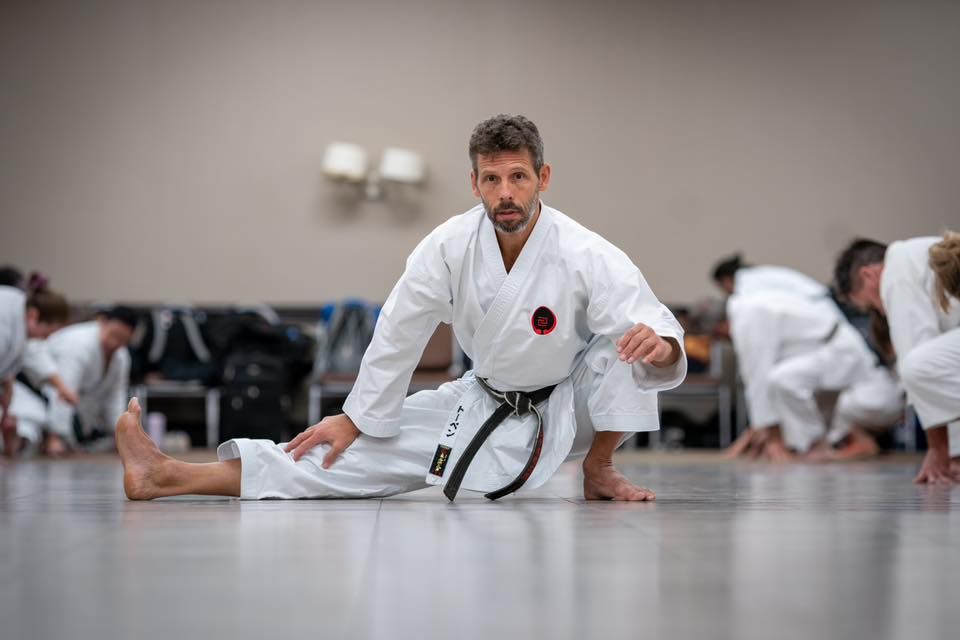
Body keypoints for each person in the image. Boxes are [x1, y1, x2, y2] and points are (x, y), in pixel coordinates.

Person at [116, 114, 687, 501]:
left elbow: (653, 324)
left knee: (632, 341)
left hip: (569, 404)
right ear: (474, 183)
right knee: (350, 454)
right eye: (492, 179)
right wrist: (358, 415)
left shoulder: (584, 251)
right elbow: (398, 332)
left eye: (518, 177)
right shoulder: (447, 246)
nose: (506, 193)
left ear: (543, 178)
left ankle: (600, 468)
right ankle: (167, 474)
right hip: (481, 398)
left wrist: (660, 348)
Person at [712, 258, 900, 461]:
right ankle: (827, 444)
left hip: (841, 356)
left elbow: (756, 373)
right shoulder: (759, 293)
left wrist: (769, 432)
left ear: (722, 325)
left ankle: (815, 445)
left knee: (783, 380)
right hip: (832, 349)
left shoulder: (748, 310)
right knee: (791, 389)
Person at [834, 232, 960, 484]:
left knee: (916, 365)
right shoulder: (919, 254)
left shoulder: (897, 268)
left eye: (871, 307)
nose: (880, 312)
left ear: (868, 275)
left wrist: (940, 452)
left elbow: (918, 362)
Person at [10, 306, 137, 455]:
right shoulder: (78, 344)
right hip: (34, 394)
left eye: (122, 340)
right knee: (29, 430)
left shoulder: (121, 356)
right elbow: (63, 389)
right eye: (114, 335)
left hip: (76, 410)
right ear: (102, 322)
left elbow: (115, 397)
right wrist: (55, 436)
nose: (115, 343)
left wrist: (119, 436)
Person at [0, 281, 71, 456]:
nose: (44, 339)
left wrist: (7, 414)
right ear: (33, 315)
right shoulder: (6, 320)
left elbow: (7, 377)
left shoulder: (18, 322)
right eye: (46, 333)